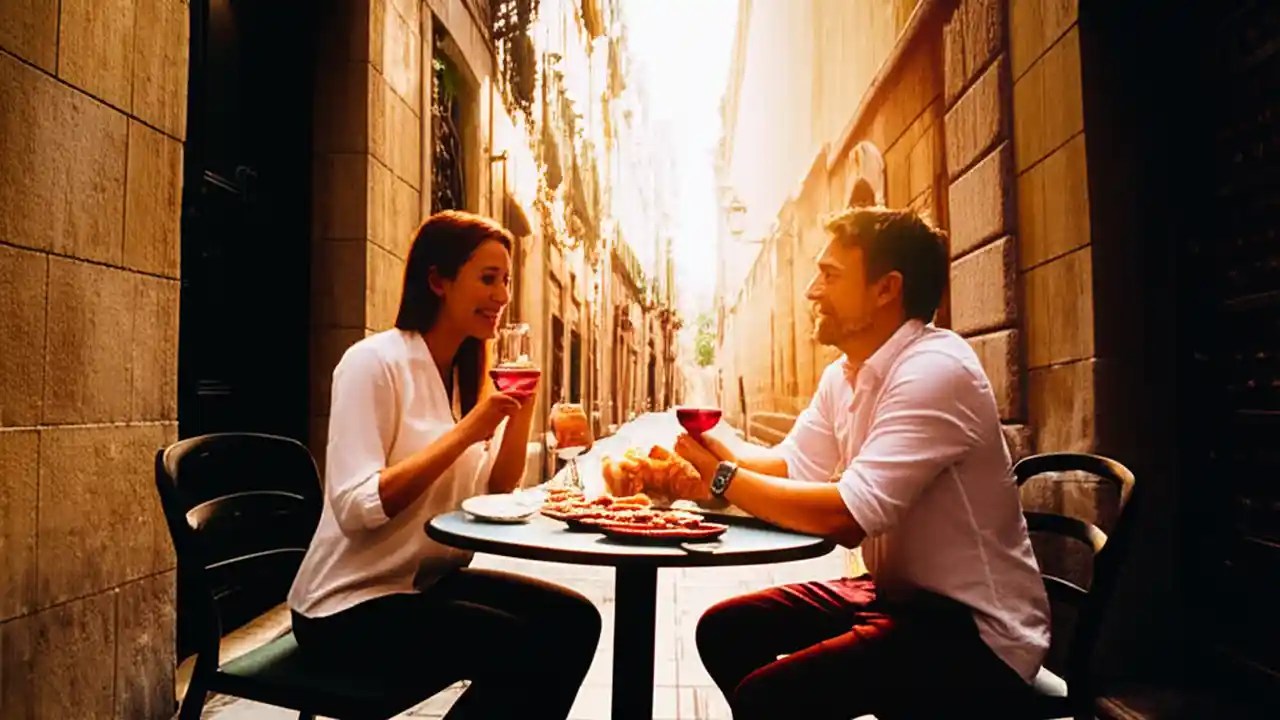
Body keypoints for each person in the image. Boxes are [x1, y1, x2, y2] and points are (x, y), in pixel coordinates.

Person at [674, 206, 1049, 719]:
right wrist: (708, 455)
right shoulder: (846, 374)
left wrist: (722, 478)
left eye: (830, 275)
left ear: (886, 288)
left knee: (767, 700)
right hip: (896, 597)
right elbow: (793, 467)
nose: (812, 291)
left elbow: (847, 518)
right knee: (725, 631)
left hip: (975, 631)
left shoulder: (935, 369)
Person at [288, 210, 600, 719]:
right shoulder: (374, 363)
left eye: (506, 281)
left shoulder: (464, 376)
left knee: (576, 621)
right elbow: (357, 507)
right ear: (438, 281)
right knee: (524, 649)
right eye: (488, 278)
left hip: (425, 583)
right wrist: (469, 430)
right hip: (347, 605)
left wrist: (520, 411)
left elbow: (495, 492)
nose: (502, 296)